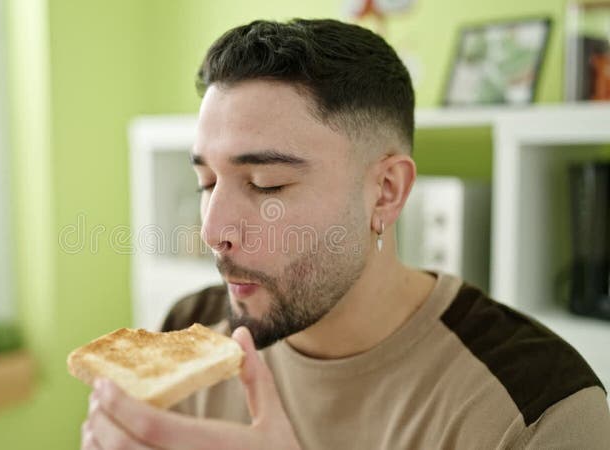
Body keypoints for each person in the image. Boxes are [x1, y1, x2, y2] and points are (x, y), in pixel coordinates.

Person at [81, 18, 610, 449]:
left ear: (385, 191)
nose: (213, 230)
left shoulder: (539, 411)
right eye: (206, 182)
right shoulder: (185, 339)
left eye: (266, 185)